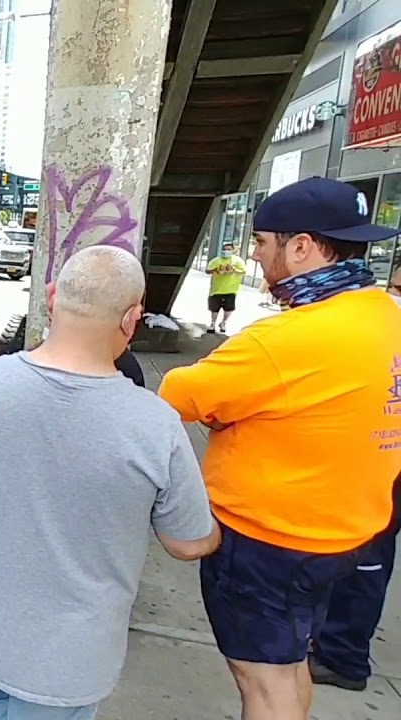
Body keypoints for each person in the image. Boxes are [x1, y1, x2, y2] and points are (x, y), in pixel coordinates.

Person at [0, 245, 220, 720]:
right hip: (65, 673)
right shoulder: (157, 426)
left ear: (51, 298)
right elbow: (188, 543)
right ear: (131, 319)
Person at [158, 176, 401, 720]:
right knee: (289, 668)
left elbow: (178, 394)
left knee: (264, 683)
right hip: (344, 535)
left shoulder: (284, 340)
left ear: (301, 247)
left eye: (263, 242)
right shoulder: (389, 315)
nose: (255, 255)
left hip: (268, 544)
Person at [309, 266, 401, 692]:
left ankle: (343, 658)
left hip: (388, 467)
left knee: (365, 560)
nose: (392, 297)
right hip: (379, 459)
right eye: (392, 287)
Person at [205, 242, 247, 333]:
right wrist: (215, 270)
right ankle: (212, 323)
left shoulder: (238, 261)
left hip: (231, 290)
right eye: (224, 249)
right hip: (216, 290)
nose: (226, 251)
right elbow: (207, 270)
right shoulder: (216, 260)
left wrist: (234, 270)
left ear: (233, 250)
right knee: (214, 309)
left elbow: (243, 271)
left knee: (228, 310)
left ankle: (223, 322)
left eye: (229, 249)